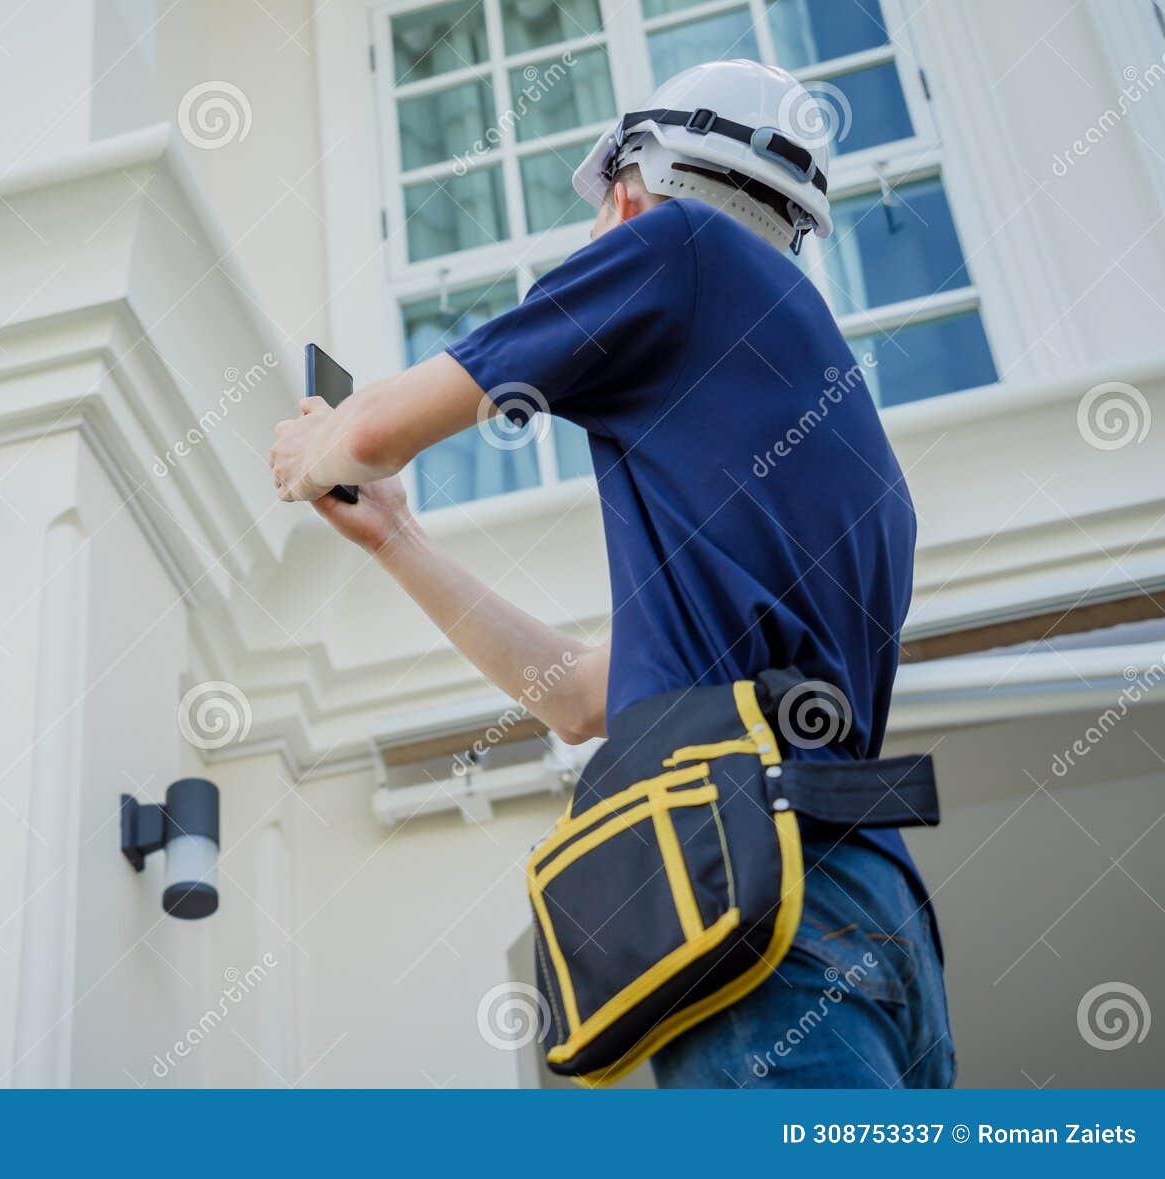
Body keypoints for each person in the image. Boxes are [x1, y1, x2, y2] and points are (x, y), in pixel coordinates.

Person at [268, 60, 953, 1088]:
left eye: (601, 217)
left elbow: (371, 431)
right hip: (871, 907)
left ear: (634, 181)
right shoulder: (838, 438)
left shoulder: (676, 246)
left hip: (772, 922)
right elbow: (583, 700)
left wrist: (315, 451)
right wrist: (397, 543)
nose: (595, 244)